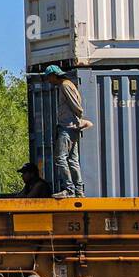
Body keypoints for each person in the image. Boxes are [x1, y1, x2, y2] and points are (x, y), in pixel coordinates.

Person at [45, 65, 91, 197]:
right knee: (72, 159)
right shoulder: (67, 85)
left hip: (68, 127)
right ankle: (78, 191)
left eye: (49, 77)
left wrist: (77, 121)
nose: (49, 80)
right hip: (70, 127)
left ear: (54, 75)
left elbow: (77, 107)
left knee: (60, 158)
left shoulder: (65, 85)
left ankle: (70, 189)